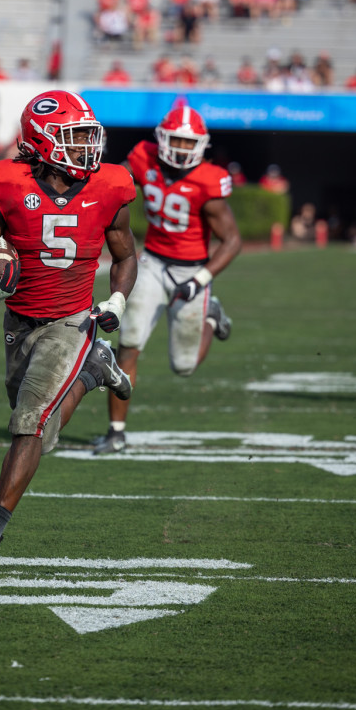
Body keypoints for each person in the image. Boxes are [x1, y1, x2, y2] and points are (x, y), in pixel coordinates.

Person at [0, 90, 138, 571]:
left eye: (87, 137)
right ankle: (94, 371)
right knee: (35, 421)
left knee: (30, 422)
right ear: (41, 142)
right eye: (73, 138)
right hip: (20, 321)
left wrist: (117, 299)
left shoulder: (111, 185)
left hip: (73, 320)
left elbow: (124, 255)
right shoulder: (8, 183)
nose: (86, 148)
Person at [96, 105, 241, 456]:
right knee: (128, 341)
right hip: (153, 263)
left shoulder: (209, 179)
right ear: (161, 138)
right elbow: (118, 184)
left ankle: (211, 314)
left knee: (184, 366)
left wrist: (201, 279)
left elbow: (232, 240)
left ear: (201, 145)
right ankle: (116, 431)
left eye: (187, 141)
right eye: (174, 139)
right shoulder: (144, 158)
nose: (179, 148)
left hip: (192, 270)